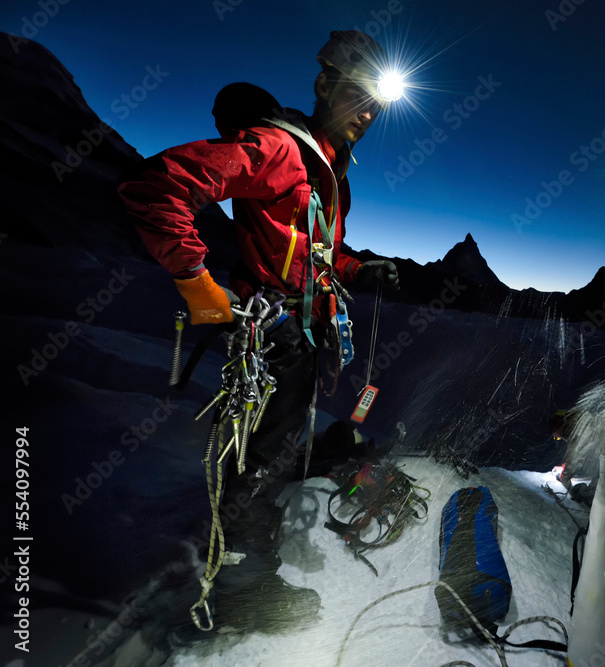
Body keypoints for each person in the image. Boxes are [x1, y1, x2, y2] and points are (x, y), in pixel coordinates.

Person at [119, 30, 401, 633]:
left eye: (379, 104)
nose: (370, 113)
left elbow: (308, 252)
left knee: (270, 451)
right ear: (325, 86)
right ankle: (244, 592)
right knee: (261, 462)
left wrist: (356, 267)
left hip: (298, 330)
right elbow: (157, 187)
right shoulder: (280, 148)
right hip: (275, 331)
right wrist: (200, 288)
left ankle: (246, 553)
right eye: (360, 96)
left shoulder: (328, 167)